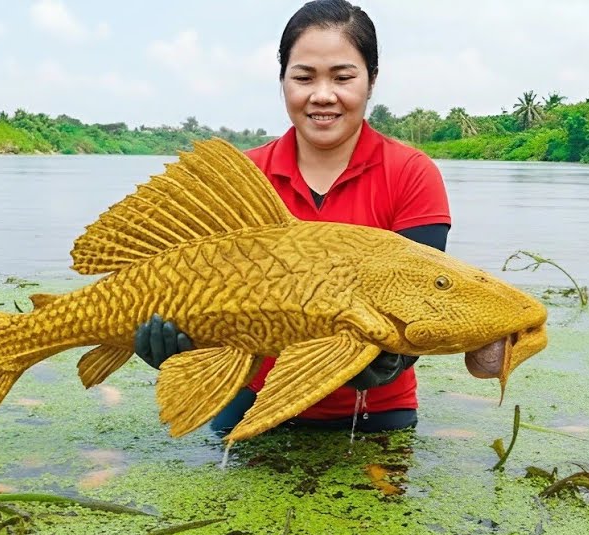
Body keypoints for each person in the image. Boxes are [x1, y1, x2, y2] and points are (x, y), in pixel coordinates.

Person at [134, 0, 452, 436]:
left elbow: (426, 307)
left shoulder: (411, 174)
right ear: (283, 81)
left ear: (372, 80)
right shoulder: (241, 178)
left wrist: (388, 361)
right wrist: (179, 348)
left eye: (343, 77)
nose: (323, 95)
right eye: (304, 77)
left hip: (374, 410)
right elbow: (202, 291)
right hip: (250, 399)